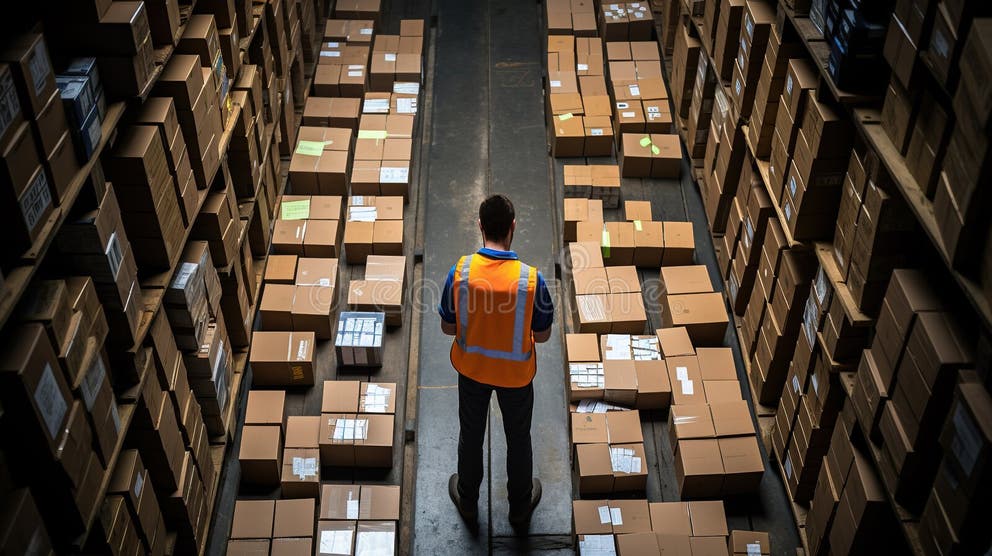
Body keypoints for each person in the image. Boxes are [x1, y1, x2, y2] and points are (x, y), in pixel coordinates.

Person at [438, 194, 554, 528]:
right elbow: (543, 335)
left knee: (470, 435)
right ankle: (519, 507)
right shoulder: (532, 280)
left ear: (480, 226)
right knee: (519, 439)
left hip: (472, 372)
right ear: (513, 228)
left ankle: (468, 500)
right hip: (516, 378)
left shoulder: (461, 271)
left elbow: (447, 326)